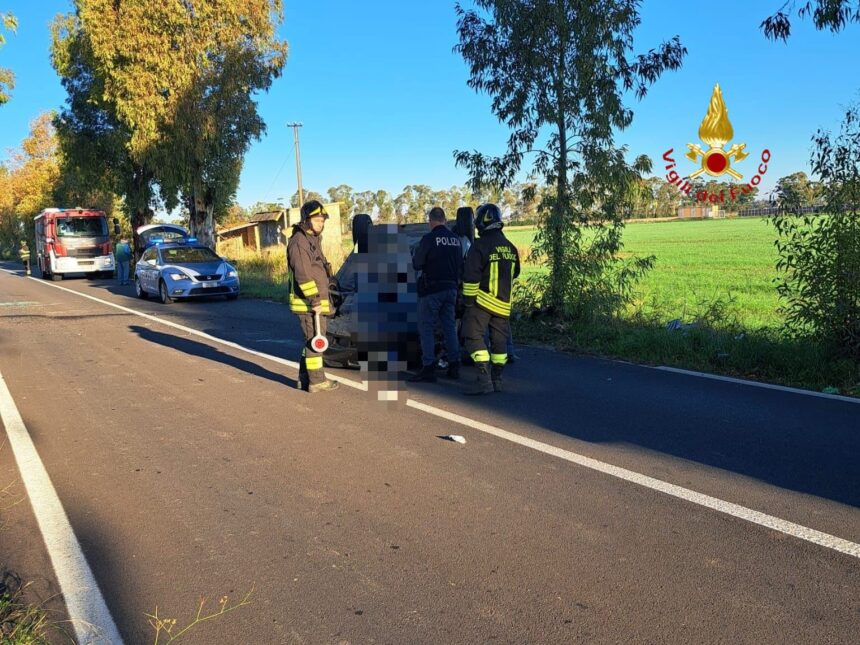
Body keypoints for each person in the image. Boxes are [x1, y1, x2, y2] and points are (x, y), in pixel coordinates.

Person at [461, 203, 520, 395]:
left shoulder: (480, 245)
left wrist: (468, 302)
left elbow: (470, 277)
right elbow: (515, 272)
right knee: (500, 345)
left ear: (481, 222)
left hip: (482, 302)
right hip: (503, 305)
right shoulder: (510, 247)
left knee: (472, 337)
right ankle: (498, 380)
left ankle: (484, 381)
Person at [287, 200, 339, 393]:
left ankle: (304, 378)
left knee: (311, 341)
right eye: (317, 220)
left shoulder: (312, 240)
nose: (321, 223)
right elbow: (303, 275)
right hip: (308, 303)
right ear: (306, 220)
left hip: (316, 301)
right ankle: (317, 381)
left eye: (322, 220)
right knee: (316, 342)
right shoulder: (299, 241)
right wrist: (315, 300)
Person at [409, 207, 463, 382]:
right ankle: (454, 364)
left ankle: (428, 367)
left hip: (432, 290)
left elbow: (417, 264)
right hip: (452, 290)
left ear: (430, 221)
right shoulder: (456, 240)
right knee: (449, 327)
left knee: (426, 327)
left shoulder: (429, 239)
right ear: (445, 220)